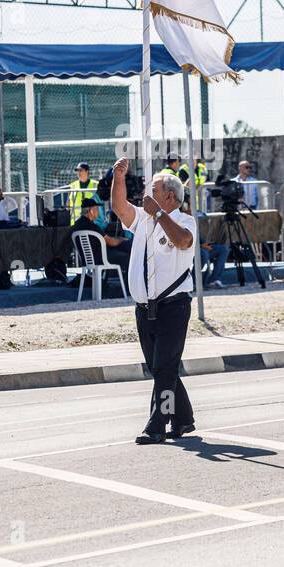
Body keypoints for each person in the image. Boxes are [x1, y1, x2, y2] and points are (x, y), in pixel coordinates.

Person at [110, 157, 197, 445]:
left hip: (173, 304)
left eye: (154, 190)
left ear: (169, 196)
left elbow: (183, 241)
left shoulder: (185, 221)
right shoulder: (145, 220)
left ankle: (157, 425)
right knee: (159, 366)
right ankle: (183, 418)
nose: (148, 195)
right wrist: (119, 178)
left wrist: (159, 215)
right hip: (146, 308)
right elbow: (119, 209)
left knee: (165, 366)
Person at [71, 196, 130, 283]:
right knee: (128, 254)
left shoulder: (77, 225)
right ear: (91, 211)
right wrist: (122, 239)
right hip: (100, 259)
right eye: (97, 209)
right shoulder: (92, 227)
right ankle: (128, 286)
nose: (98, 212)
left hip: (88, 259)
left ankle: (104, 284)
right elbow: (111, 242)